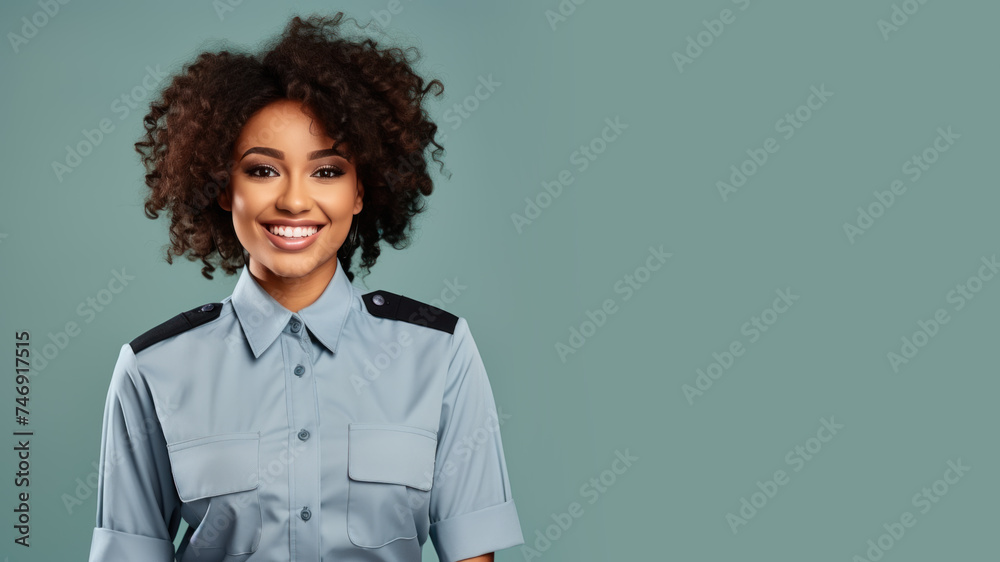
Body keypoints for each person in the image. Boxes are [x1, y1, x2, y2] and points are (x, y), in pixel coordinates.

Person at [87, 13, 524, 562]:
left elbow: (471, 553)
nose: (294, 201)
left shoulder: (441, 352)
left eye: (327, 171)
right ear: (224, 189)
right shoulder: (152, 368)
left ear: (362, 190)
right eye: (263, 171)